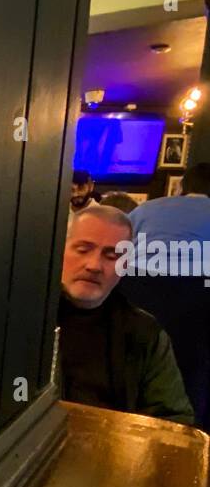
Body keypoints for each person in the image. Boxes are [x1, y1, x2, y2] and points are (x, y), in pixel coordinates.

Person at [57, 204, 193, 425]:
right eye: (83, 250)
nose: (94, 265)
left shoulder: (144, 333)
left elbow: (173, 420)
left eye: (111, 256)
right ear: (59, 251)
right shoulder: (23, 320)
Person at [121, 161, 210, 429]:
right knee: (196, 368)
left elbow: (121, 248)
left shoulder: (148, 208)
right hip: (199, 293)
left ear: (182, 186)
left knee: (138, 356)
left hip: (138, 285)